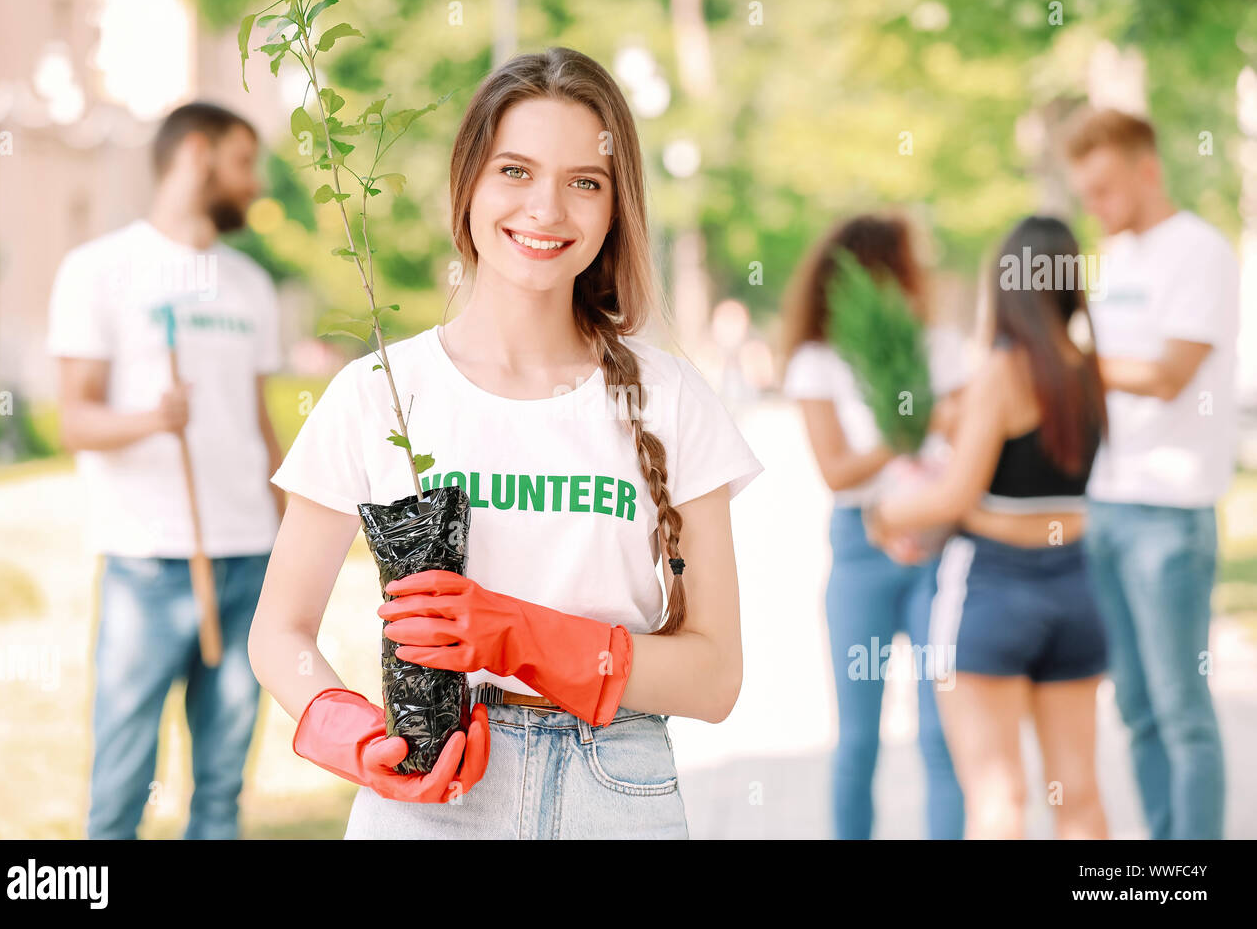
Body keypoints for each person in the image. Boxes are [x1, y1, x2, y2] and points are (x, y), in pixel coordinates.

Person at [248, 46, 765, 839]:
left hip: (615, 787)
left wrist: (517, 633)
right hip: (435, 783)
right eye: (515, 172)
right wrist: (354, 737)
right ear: (469, 183)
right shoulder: (379, 391)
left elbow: (715, 677)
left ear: (616, 205)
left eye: (584, 183)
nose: (547, 210)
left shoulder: (672, 398)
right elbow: (278, 631)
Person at [47, 102, 287, 838]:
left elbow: (258, 424)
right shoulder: (99, 270)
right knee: (121, 783)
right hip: (148, 564)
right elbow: (74, 420)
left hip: (247, 558)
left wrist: (289, 539)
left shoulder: (250, 284)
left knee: (221, 786)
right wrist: (153, 419)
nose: (254, 184)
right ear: (194, 156)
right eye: (243, 162)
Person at [865, 215, 1110, 839]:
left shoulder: (1004, 372)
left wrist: (882, 514)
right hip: (1078, 591)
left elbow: (953, 494)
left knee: (998, 801)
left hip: (994, 593)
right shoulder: (1086, 369)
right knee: (1078, 796)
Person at [1064, 108, 1239, 839]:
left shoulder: (1197, 250)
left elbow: (1169, 374)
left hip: (1170, 514)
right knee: (1134, 707)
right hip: (1107, 506)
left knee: (1180, 709)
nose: (1095, 208)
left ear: (1148, 169)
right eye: (1085, 195)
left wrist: (1067, 364)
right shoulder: (1120, 259)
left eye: (1105, 189)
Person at [780, 214, 967, 839]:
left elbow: (970, 444)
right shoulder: (818, 361)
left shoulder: (941, 348)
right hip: (860, 547)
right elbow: (836, 470)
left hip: (942, 548)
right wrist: (910, 432)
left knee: (943, 735)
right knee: (858, 742)